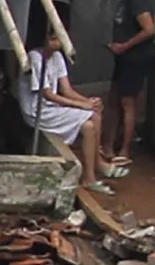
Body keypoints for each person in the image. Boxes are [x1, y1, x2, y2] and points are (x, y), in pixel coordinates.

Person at [17, 33, 105, 187]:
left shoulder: (57, 57)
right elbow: (48, 94)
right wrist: (80, 105)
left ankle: (96, 165)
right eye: (53, 39)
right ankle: (91, 174)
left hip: (51, 107)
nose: (57, 43)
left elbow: (67, 89)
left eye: (59, 38)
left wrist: (88, 102)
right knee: (89, 124)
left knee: (94, 117)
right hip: (37, 110)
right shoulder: (35, 57)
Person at [103, 0, 155, 166]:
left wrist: (124, 46)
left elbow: (149, 29)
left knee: (127, 102)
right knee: (115, 98)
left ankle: (125, 149)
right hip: (125, 57)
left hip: (135, 58)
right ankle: (109, 143)